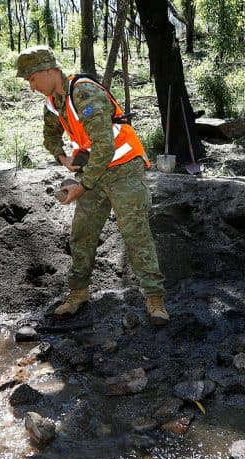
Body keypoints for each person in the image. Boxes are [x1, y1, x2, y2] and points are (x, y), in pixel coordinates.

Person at [15, 46, 169, 326]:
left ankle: (154, 297)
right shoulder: (53, 101)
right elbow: (50, 136)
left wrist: (82, 185)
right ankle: (78, 293)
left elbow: (105, 146)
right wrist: (64, 158)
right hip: (94, 171)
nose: (31, 86)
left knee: (135, 234)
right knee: (82, 234)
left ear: (49, 71)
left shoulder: (84, 92)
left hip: (124, 169)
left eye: (32, 78)